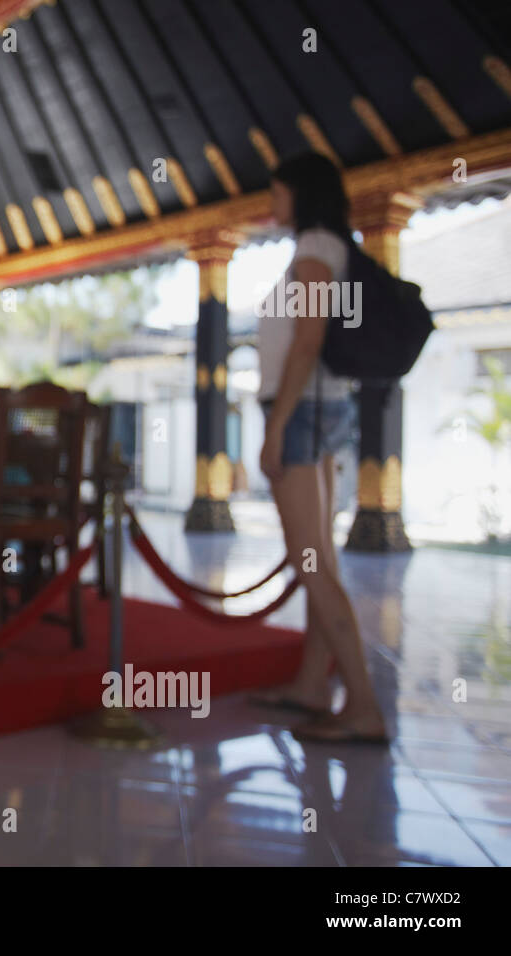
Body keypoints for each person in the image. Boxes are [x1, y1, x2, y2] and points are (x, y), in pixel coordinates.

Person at [251, 153, 388, 744]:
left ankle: (362, 706)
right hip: (321, 410)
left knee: (312, 562)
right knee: (318, 561)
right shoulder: (330, 245)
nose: (271, 203)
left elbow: (305, 344)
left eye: (277, 192)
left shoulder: (313, 250)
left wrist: (276, 426)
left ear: (300, 194)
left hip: (302, 413)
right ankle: (313, 685)